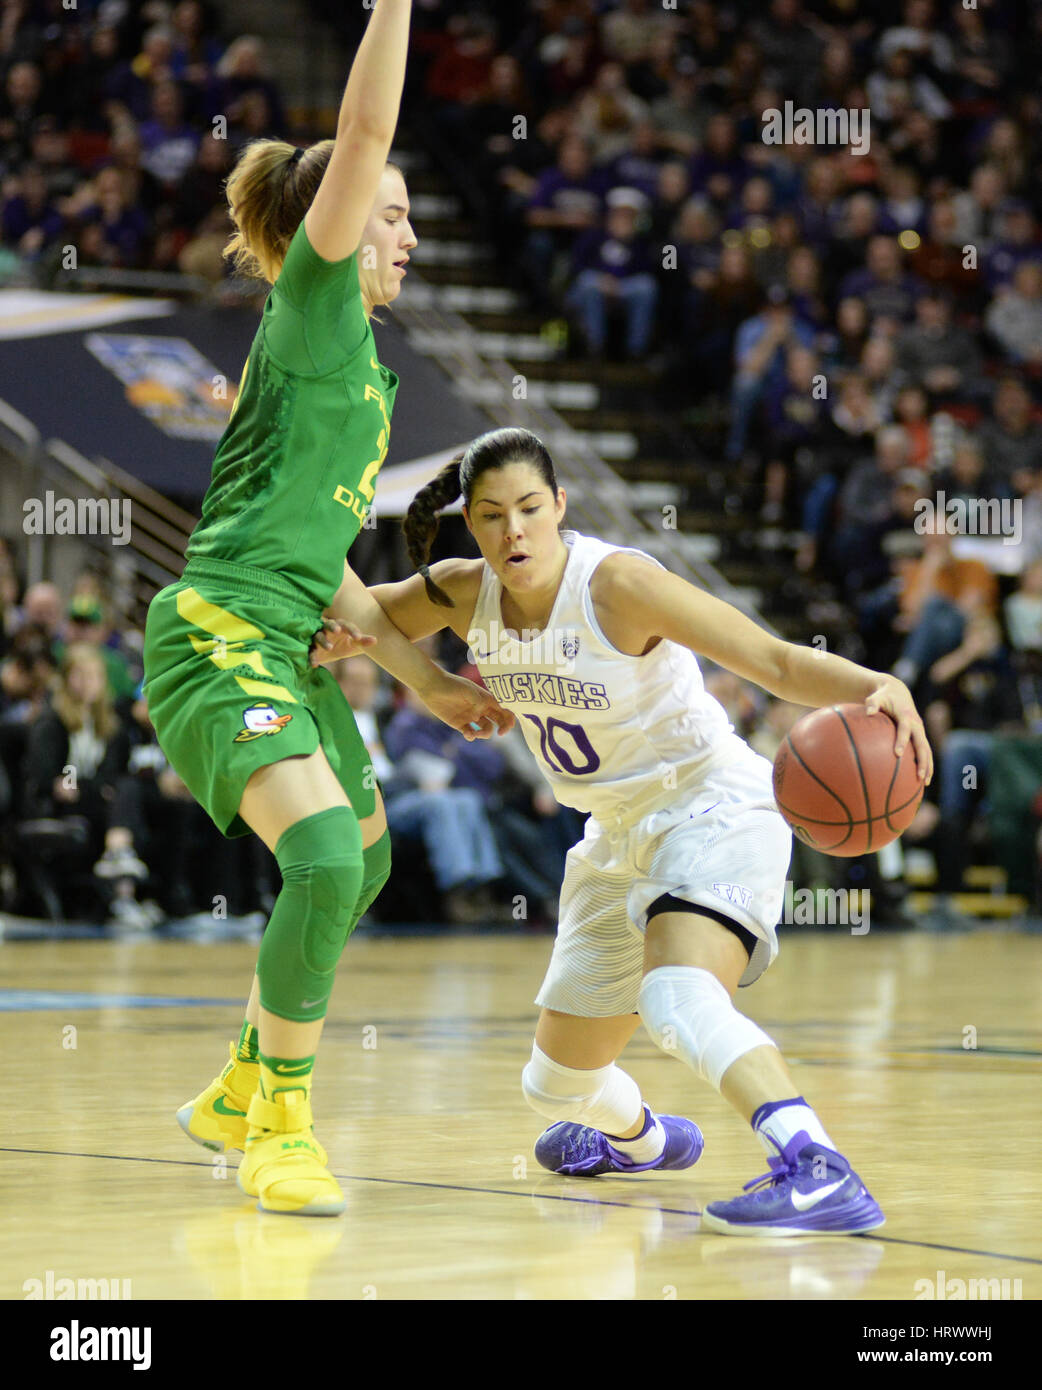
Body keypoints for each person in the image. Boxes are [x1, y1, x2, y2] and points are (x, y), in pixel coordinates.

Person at [315, 425, 933, 1236]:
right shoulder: (468, 589)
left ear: (561, 505)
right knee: (553, 1086)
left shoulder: (619, 585)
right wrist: (382, 661)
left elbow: (774, 662)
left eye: (531, 508)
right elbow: (356, 608)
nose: (514, 532)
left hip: (711, 805)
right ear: (473, 524)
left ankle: (816, 1165)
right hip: (613, 835)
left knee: (676, 993)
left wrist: (877, 682)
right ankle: (643, 1144)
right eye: (493, 515)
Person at [142, 0, 511, 1220]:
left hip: (292, 641)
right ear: (332, 231)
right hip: (218, 630)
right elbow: (360, 128)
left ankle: (240, 1084)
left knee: (364, 858)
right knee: (313, 854)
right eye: (390, 215)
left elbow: (337, 572)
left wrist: (430, 677)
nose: (405, 235)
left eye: (405, 216)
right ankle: (282, 1127)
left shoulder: (361, 381)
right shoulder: (313, 309)